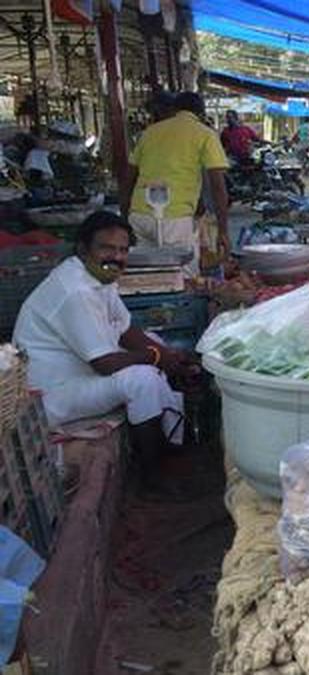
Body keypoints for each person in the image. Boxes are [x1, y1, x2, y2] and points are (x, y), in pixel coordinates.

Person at [13, 212, 198, 491]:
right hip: (52, 395)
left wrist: (170, 357)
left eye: (123, 250)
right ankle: (153, 476)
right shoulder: (75, 291)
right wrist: (157, 358)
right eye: (107, 248)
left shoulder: (99, 276)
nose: (117, 256)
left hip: (78, 372)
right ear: (83, 249)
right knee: (142, 379)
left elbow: (125, 330)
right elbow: (105, 364)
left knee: (152, 342)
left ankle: (174, 444)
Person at [121, 91, 230, 274]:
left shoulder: (150, 132)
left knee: (145, 277)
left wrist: (125, 217)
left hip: (139, 215)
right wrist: (223, 230)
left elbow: (128, 178)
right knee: (182, 278)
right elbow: (217, 186)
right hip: (175, 217)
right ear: (201, 114)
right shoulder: (205, 134)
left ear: (174, 109)